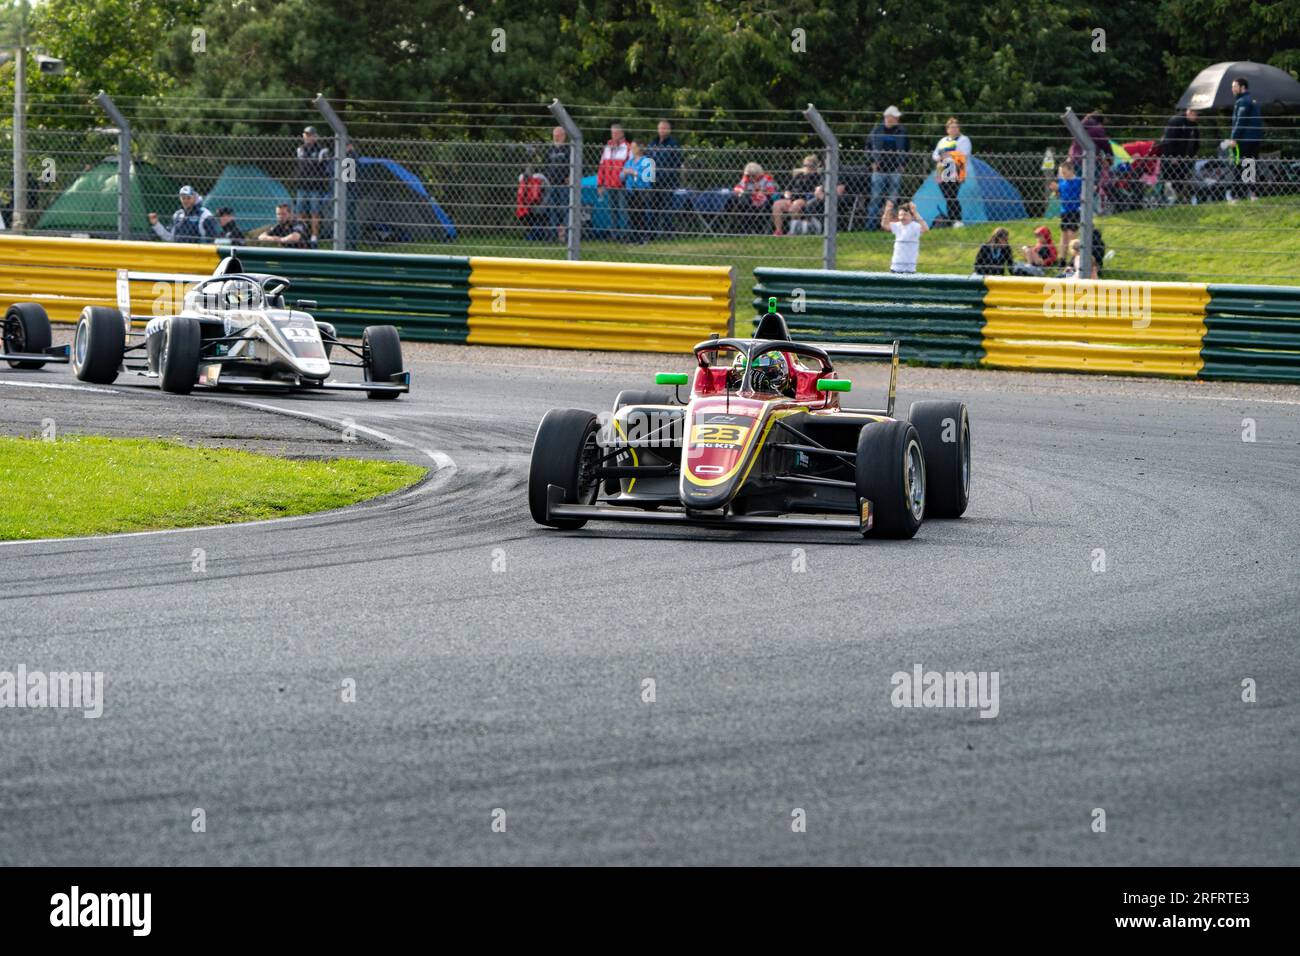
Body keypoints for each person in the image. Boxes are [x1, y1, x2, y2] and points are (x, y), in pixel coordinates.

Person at [866, 106, 910, 229]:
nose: (897, 119)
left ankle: (891, 227)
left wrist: (903, 164)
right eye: (895, 117)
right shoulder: (876, 130)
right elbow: (867, 147)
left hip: (895, 170)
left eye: (897, 117)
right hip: (879, 170)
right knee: (875, 198)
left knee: (892, 200)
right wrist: (872, 162)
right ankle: (871, 226)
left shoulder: (902, 131)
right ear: (888, 117)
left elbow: (907, 149)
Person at [1226, 76, 1262, 202]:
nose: (1232, 89)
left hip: (1244, 140)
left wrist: (1234, 138)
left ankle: (1235, 195)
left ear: (1242, 87)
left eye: (1235, 86)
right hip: (1254, 139)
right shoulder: (1252, 100)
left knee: (1238, 165)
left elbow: (1240, 121)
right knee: (1250, 165)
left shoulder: (1243, 101)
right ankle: (1252, 194)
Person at [645, 120, 683, 237]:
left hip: (668, 182)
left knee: (667, 208)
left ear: (669, 130)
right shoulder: (653, 143)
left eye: (665, 128)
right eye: (660, 128)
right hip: (654, 182)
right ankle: (652, 232)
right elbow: (648, 160)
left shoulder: (673, 144)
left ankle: (668, 233)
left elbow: (677, 163)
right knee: (653, 207)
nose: (662, 130)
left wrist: (671, 178)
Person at [931, 117, 972, 228]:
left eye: (956, 127)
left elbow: (964, 154)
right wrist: (942, 156)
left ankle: (957, 219)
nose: (953, 129)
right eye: (951, 127)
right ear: (947, 129)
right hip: (943, 170)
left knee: (952, 195)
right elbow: (935, 155)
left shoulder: (964, 140)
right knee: (948, 196)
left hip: (957, 171)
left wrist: (948, 155)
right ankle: (952, 220)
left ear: (959, 128)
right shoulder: (943, 141)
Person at [295, 125, 331, 247]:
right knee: (301, 213)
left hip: (316, 187)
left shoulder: (322, 150)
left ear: (315, 137)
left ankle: (314, 238)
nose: (308, 137)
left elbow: (326, 169)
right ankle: (302, 235)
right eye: (306, 135)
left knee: (314, 213)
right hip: (302, 186)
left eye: (310, 135)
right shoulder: (300, 149)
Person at [148, 185, 221, 243]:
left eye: (188, 198)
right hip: (180, 254)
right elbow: (170, 237)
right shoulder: (178, 214)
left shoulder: (205, 215)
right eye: (183, 198)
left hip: (198, 255)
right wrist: (156, 224)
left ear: (195, 198)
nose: (185, 201)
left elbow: (211, 240)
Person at [771, 155, 821, 236]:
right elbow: (788, 188)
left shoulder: (817, 176)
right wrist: (787, 194)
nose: (807, 167)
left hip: (805, 198)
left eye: (810, 165)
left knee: (795, 206)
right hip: (792, 198)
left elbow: (816, 191)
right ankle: (778, 231)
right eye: (805, 165)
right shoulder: (799, 175)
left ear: (815, 166)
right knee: (777, 204)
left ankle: (793, 230)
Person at [596, 122, 630, 240]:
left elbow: (630, 167)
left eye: (616, 133)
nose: (614, 135)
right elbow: (601, 167)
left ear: (622, 133)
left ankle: (626, 234)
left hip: (622, 185)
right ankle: (614, 234)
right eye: (612, 133)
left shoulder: (628, 147)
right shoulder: (607, 148)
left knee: (623, 210)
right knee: (612, 210)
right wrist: (600, 184)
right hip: (609, 185)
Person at [1159, 108, 1200, 203]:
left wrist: (1193, 154)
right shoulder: (1176, 121)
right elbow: (1168, 140)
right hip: (1172, 157)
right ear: (1189, 112)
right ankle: (1166, 199)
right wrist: (1171, 156)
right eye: (1195, 114)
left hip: (1185, 157)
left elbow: (1196, 142)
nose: (1196, 116)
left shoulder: (1194, 125)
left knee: (1182, 179)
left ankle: (1182, 199)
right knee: (1170, 178)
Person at [620, 140, 656, 244]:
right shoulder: (629, 161)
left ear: (640, 148)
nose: (632, 149)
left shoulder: (647, 161)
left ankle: (644, 237)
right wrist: (625, 173)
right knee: (632, 215)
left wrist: (634, 172)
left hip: (642, 191)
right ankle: (633, 236)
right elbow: (621, 176)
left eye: (634, 147)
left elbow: (648, 177)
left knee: (642, 215)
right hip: (631, 191)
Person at [881, 199, 928, 274]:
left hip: (910, 268)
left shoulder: (915, 226)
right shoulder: (897, 225)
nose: (902, 217)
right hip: (895, 267)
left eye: (905, 215)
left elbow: (925, 228)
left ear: (912, 216)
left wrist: (915, 212)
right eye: (900, 215)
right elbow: (884, 225)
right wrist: (887, 210)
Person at [730, 161, 777, 232]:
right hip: (746, 201)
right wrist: (744, 189)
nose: (751, 177)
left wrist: (760, 189)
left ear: (758, 173)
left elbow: (771, 191)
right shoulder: (746, 178)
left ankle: (747, 227)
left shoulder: (766, 178)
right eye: (749, 175)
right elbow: (737, 188)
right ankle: (743, 227)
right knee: (737, 199)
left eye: (753, 175)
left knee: (744, 202)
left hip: (762, 201)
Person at [544, 126, 571, 244]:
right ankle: (552, 235)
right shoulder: (550, 149)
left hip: (564, 185)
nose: (555, 137)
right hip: (552, 184)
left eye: (558, 135)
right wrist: (547, 178)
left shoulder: (569, 149)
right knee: (552, 209)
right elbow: (545, 165)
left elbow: (574, 164)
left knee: (566, 209)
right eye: (554, 135)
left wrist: (570, 176)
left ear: (563, 136)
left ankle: (565, 235)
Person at [1057, 161, 1082, 250]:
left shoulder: (1079, 181)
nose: (1063, 175)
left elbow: (1092, 188)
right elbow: (1059, 194)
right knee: (1064, 235)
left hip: (1074, 210)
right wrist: (1055, 190)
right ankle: (1062, 259)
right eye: (1062, 173)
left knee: (1072, 234)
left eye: (1064, 172)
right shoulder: (1062, 182)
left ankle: (1075, 256)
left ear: (1071, 170)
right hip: (1064, 211)